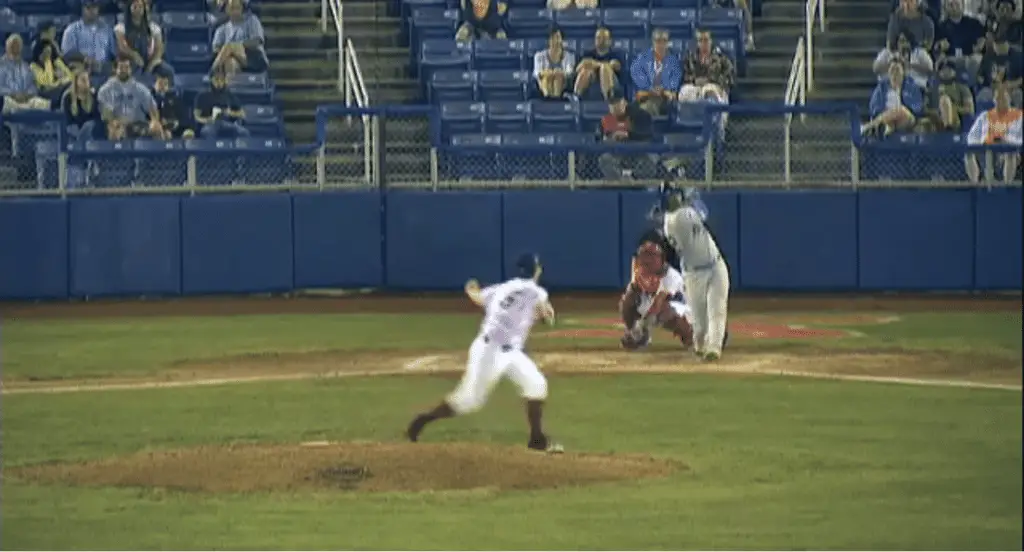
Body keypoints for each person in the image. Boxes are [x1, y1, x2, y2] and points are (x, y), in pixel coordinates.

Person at [405, 253, 563, 454]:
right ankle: (422, 420)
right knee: (468, 401)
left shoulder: (501, 288)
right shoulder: (537, 291)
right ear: (535, 270)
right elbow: (546, 313)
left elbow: (478, 298)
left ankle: (537, 440)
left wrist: (470, 289)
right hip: (490, 352)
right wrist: (545, 314)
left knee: (536, 384)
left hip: (509, 352)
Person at [660, 185, 731, 361]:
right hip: (694, 275)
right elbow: (704, 213)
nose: (676, 199)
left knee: (717, 309)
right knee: (700, 324)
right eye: (673, 197)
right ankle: (700, 345)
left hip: (715, 266)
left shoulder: (673, 217)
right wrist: (693, 198)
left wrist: (688, 198)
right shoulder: (679, 218)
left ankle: (714, 348)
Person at [618, 239, 694, 351]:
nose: (647, 260)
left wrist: (641, 325)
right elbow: (631, 294)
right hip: (656, 306)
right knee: (627, 301)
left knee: (664, 310)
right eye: (645, 256)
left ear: (661, 259)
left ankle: (691, 335)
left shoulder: (672, 276)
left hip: (683, 310)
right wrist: (634, 329)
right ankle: (638, 335)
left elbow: (658, 304)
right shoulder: (640, 273)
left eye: (651, 256)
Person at [965, 85, 1021, 183]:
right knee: (968, 153)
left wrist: (1006, 141)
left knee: (1011, 153)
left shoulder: (1018, 115)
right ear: (994, 100)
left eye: (1003, 98)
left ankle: (1007, 185)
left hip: (1006, 149)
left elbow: (1019, 138)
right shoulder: (985, 116)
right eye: (997, 98)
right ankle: (975, 184)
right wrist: (980, 144)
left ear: (1009, 99)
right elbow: (972, 136)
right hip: (986, 149)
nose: (1000, 101)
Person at [97, 55, 163, 137]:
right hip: (117, 124)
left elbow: (152, 107)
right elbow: (106, 114)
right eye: (121, 67)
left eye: (127, 67)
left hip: (138, 125)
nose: (124, 70)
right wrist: (115, 122)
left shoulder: (140, 88)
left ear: (131, 69)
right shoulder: (106, 90)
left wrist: (154, 121)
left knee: (157, 129)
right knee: (114, 130)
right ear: (115, 69)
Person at [597, 90, 656, 179]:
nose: (614, 106)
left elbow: (648, 135)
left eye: (617, 102)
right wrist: (609, 140)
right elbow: (599, 140)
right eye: (611, 103)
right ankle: (620, 182)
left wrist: (628, 134)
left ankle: (635, 180)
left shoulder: (640, 115)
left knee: (651, 159)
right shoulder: (605, 120)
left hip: (639, 151)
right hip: (617, 153)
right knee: (604, 159)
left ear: (624, 102)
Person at [861, 62, 925, 136]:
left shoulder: (911, 86)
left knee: (901, 110)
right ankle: (884, 129)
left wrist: (907, 109)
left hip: (907, 118)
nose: (894, 73)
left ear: (903, 72)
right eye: (892, 70)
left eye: (897, 70)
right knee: (889, 125)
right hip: (887, 119)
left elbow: (918, 106)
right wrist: (887, 113)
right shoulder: (881, 88)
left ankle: (868, 126)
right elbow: (874, 107)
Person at [115, 0, 173, 78]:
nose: (138, 9)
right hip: (130, 60)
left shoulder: (153, 27)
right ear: (129, 9)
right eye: (135, 7)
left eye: (140, 7)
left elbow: (159, 48)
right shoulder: (121, 27)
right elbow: (122, 47)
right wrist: (135, 56)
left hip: (149, 60)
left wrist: (151, 64)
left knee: (167, 70)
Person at [629, 28, 681, 115]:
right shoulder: (642, 58)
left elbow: (674, 81)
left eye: (664, 41)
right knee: (647, 105)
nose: (661, 44)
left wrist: (662, 89)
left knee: (649, 107)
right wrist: (651, 89)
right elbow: (637, 76)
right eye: (658, 41)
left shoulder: (674, 61)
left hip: (665, 96)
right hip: (646, 95)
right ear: (653, 42)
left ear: (668, 43)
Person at [211, 0, 268, 76]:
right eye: (232, 8)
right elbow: (216, 49)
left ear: (242, 8)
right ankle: (231, 83)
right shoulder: (221, 29)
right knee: (230, 62)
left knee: (230, 46)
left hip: (254, 58)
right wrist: (231, 52)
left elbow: (257, 42)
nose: (235, 11)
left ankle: (212, 71)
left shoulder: (252, 20)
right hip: (232, 59)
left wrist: (237, 46)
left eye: (237, 8)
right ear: (226, 10)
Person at [678, 30, 736, 103]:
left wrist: (710, 80)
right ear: (697, 43)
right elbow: (685, 76)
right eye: (700, 40)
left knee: (709, 92)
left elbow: (729, 78)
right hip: (695, 88)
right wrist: (694, 80)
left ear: (711, 41)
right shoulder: (690, 58)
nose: (703, 43)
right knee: (685, 92)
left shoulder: (722, 59)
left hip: (716, 88)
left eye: (706, 40)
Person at [61, 0, 117, 74]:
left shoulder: (107, 30)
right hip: (80, 73)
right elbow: (66, 54)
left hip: (105, 73)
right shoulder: (71, 30)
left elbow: (114, 54)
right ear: (82, 8)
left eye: (94, 7)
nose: (91, 10)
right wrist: (85, 59)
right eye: (88, 7)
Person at [0, 35, 52, 114]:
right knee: (6, 102)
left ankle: (24, 110)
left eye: (18, 46)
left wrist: (27, 95)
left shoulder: (25, 67)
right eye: (13, 46)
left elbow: (32, 86)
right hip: (9, 100)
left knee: (45, 103)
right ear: (7, 48)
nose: (15, 49)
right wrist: (13, 94)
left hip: (26, 100)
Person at [574, 27, 625, 100]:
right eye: (598, 38)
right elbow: (577, 69)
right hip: (591, 80)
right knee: (585, 71)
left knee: (605, 68)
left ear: (610, 41)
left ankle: (609, 99)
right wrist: (587, 64)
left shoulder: (617, 54)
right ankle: (576, 98)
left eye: (604, 38)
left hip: (613, 82)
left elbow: (615, 65)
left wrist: (594, 64)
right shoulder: (587, 54)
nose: (601, 40)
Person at [193, 69, 247, 137]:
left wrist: (230, 113)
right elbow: (197, 117)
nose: (219, 82)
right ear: (211, 80)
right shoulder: (202, 96)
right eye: (216, 79)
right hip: (210, 124)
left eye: (221, 79)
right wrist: (208, 120)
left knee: (243, 132)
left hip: (228, 123)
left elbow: (242, 114)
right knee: (208, 131)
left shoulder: (230, 95)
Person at [929, 57, 975, 131]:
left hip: (954, 118)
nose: (945, 72)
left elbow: (970, 109)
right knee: (923, 125)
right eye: (943, 70)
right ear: (939, 73)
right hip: (936, 121)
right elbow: (925, 108)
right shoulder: (932, 89)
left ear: (954, 72)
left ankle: (948, 129)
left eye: (949, 70)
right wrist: (935, 113)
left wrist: (953, 108)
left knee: (944, 99)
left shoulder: (962, 88)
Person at [976, 36, 1023, 107]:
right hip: (992, 89)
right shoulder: (988, 56)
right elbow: (980, 76)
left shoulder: (1018, 56)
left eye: (1002, 45)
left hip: (1011, 89)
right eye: (996, 45)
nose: (998, 47)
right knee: (982, 94)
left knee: (1018, 94)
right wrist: (984, 81)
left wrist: (1012, 84)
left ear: (1007, 44)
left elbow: (1021, 79)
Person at [531, 27, 575, 100]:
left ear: (562, 40)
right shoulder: (539, 55)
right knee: (547, 78)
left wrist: (558, 73)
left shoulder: (569, 56)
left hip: (563, 83)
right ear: (549, 41)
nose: (555, 41)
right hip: (544, 82)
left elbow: (569, 72)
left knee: (558, 77)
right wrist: (550, 73)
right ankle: (547, 98)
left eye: (557, 37)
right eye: (552, 38)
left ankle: (556, 99)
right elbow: (537, 72)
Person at [30, 39, 73, 108]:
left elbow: (71, 77)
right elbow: (46, 83)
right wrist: (47, 62)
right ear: (39, 53)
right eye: (45, 52)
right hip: (45, 94)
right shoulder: (34, 66)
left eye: (49, 52)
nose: (48, 55)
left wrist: (61, 81)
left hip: (61, 89)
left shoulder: (57, 62)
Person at [61, 69, 101, 135]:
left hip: (90, 131)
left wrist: (89, 126)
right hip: (73, 131)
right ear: (76, 82)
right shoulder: (68, 97)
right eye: (83, 80)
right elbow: (68, 121)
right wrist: (80, 134)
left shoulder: (93, 96)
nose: (86, 82)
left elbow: (97, 117)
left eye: (87, 79)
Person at [152, 73, 191, 138]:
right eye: (160, 84)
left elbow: (184, 119)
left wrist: (175, 123)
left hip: (173, 131)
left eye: (165, 84)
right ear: (154, 85)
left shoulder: (176, 100)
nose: (163, 86)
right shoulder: (147, 98)